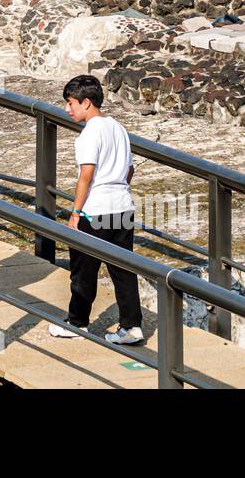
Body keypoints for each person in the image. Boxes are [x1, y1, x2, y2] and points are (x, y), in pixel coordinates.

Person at [49, 74, 144, 345]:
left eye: (71, 103)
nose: (68, 109)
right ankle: (132, 326)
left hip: (96, 211)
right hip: (123, 208)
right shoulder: (118, 128)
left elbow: (86, 176)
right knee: (124, 270)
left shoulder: (89, 133)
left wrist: (75, 213)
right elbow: (130, 170)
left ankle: (76, 322)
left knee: (83, 270)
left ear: (86, 102)